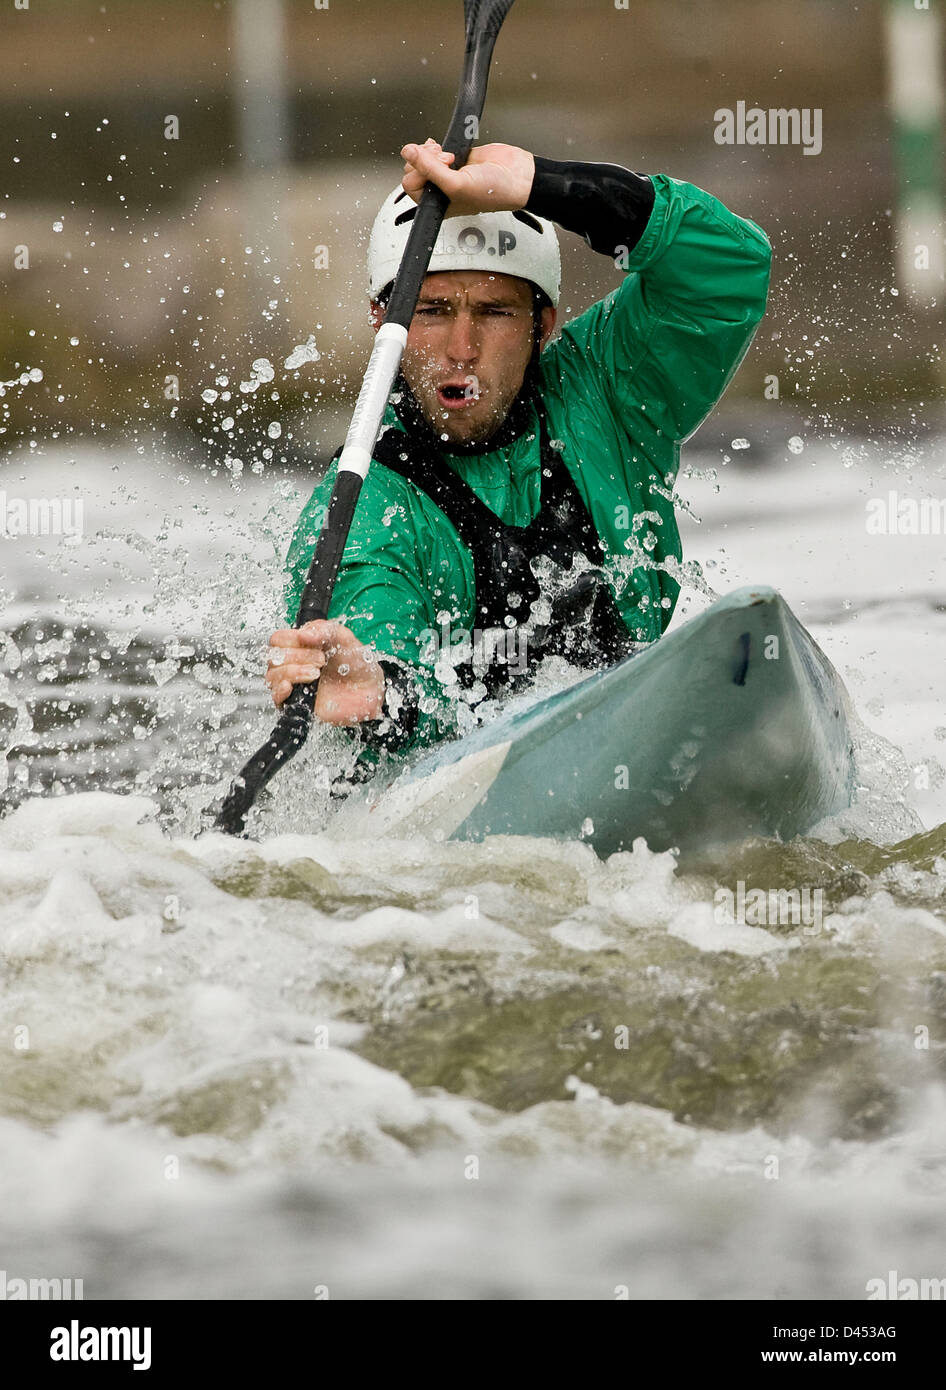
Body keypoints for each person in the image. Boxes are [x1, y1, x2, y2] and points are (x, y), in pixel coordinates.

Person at [266, 138, 771, 759]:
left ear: (544, 323)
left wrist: (542, 184)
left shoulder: (608, 393)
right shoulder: (363, 507)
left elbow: (729, 269)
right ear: (384, 320)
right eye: (432, 310)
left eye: (496, 312)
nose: (462, 347)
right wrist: (380, 692)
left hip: (632, 738)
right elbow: (380, 643)